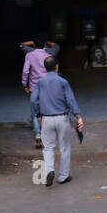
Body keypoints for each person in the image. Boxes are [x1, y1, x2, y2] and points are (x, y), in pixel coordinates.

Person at [30, 56, 84, 186]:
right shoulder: (63, 82)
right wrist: (78, 116)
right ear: (57, 67)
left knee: (48, 147)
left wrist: (37, 114)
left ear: (44, 68)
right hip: (62, 118)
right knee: (64, 148)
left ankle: (49, 170)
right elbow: (70, 100)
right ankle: (63, 176)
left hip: (46, 119)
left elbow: (33, 100)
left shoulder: (40, 82)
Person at [21, 35, 50, 149]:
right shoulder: (48, 56)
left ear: (34, 45)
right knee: (46, 111)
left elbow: (25, 71)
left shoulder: (29, 55)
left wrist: (25, 84)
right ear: (45, 44)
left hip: (34, 88)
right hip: (47, 87)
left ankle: (38, 134)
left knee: (35, 111)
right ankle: (45, 134)